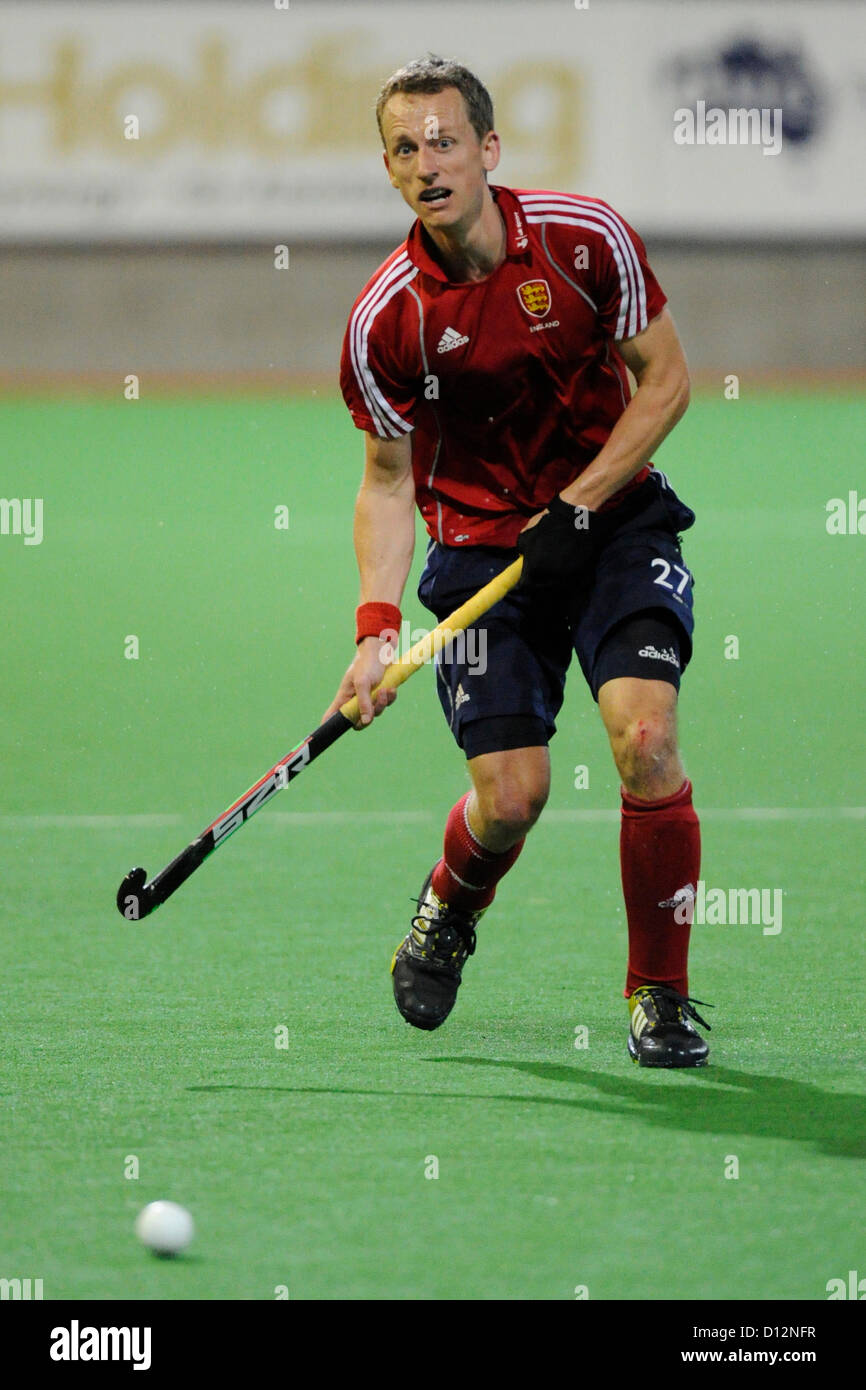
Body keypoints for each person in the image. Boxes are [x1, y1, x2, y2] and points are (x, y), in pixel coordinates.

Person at [325, 56, 711, 1067]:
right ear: (388, 169)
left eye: (445, 140)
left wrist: (578, 505)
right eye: (405, 149)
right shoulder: (386, 317)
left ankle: (658, 994)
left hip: (615, 526)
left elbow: (665, 383)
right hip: (480, 562)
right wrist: (374, 632)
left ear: (488, 150)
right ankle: (448, 906)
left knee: (645, 742)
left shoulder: (585, 238)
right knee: (510, 796)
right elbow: (385, 481)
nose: (427, 162)